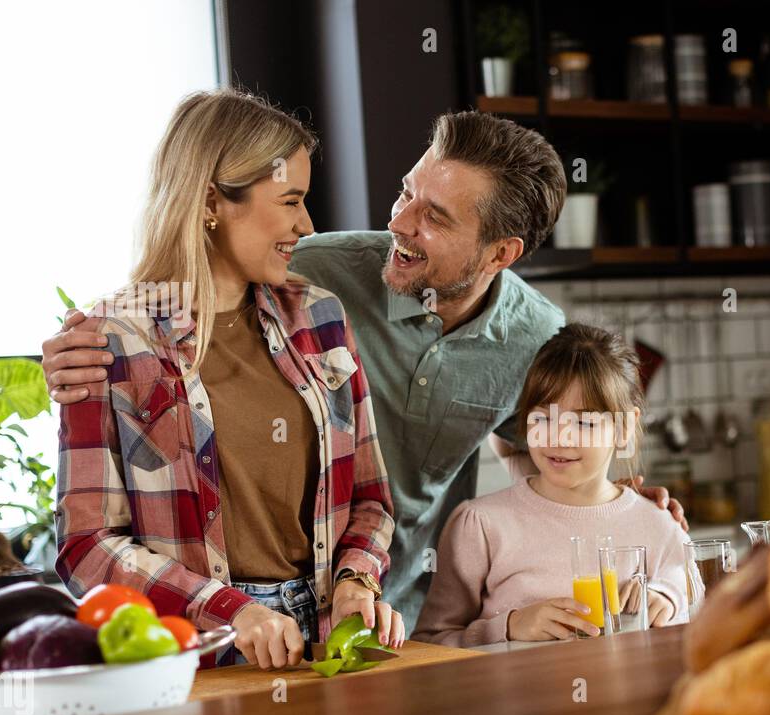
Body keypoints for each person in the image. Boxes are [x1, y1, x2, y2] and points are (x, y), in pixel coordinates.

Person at [42, 110, 686, 636]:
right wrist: (81, 352)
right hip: (213, 624)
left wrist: (617, 503)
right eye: (409, 192)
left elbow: (538, 452)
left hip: (392, 613)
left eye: (436, 217)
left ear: (501, 253)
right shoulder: (308, 276)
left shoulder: (537, 337)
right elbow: (175, 293)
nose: (400, 221)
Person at [56, 89, 400, 670]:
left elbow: (370, 497)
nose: (306, 224)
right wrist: (232, 609)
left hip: (322, 640)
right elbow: (85, 546)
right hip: (193, 647)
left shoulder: (320, 317)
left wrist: (356, 581)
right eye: (290, 201)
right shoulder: (109, 339)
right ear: (213, 200)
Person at [414, 324, 691, 646]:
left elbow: (691, 610)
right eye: (543, 418)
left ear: (624, 427)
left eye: (584, 422)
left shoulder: (659, 524)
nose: (559, 437)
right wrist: (508, 627)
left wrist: (667, 601)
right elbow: (431, 643)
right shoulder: (480, 524)